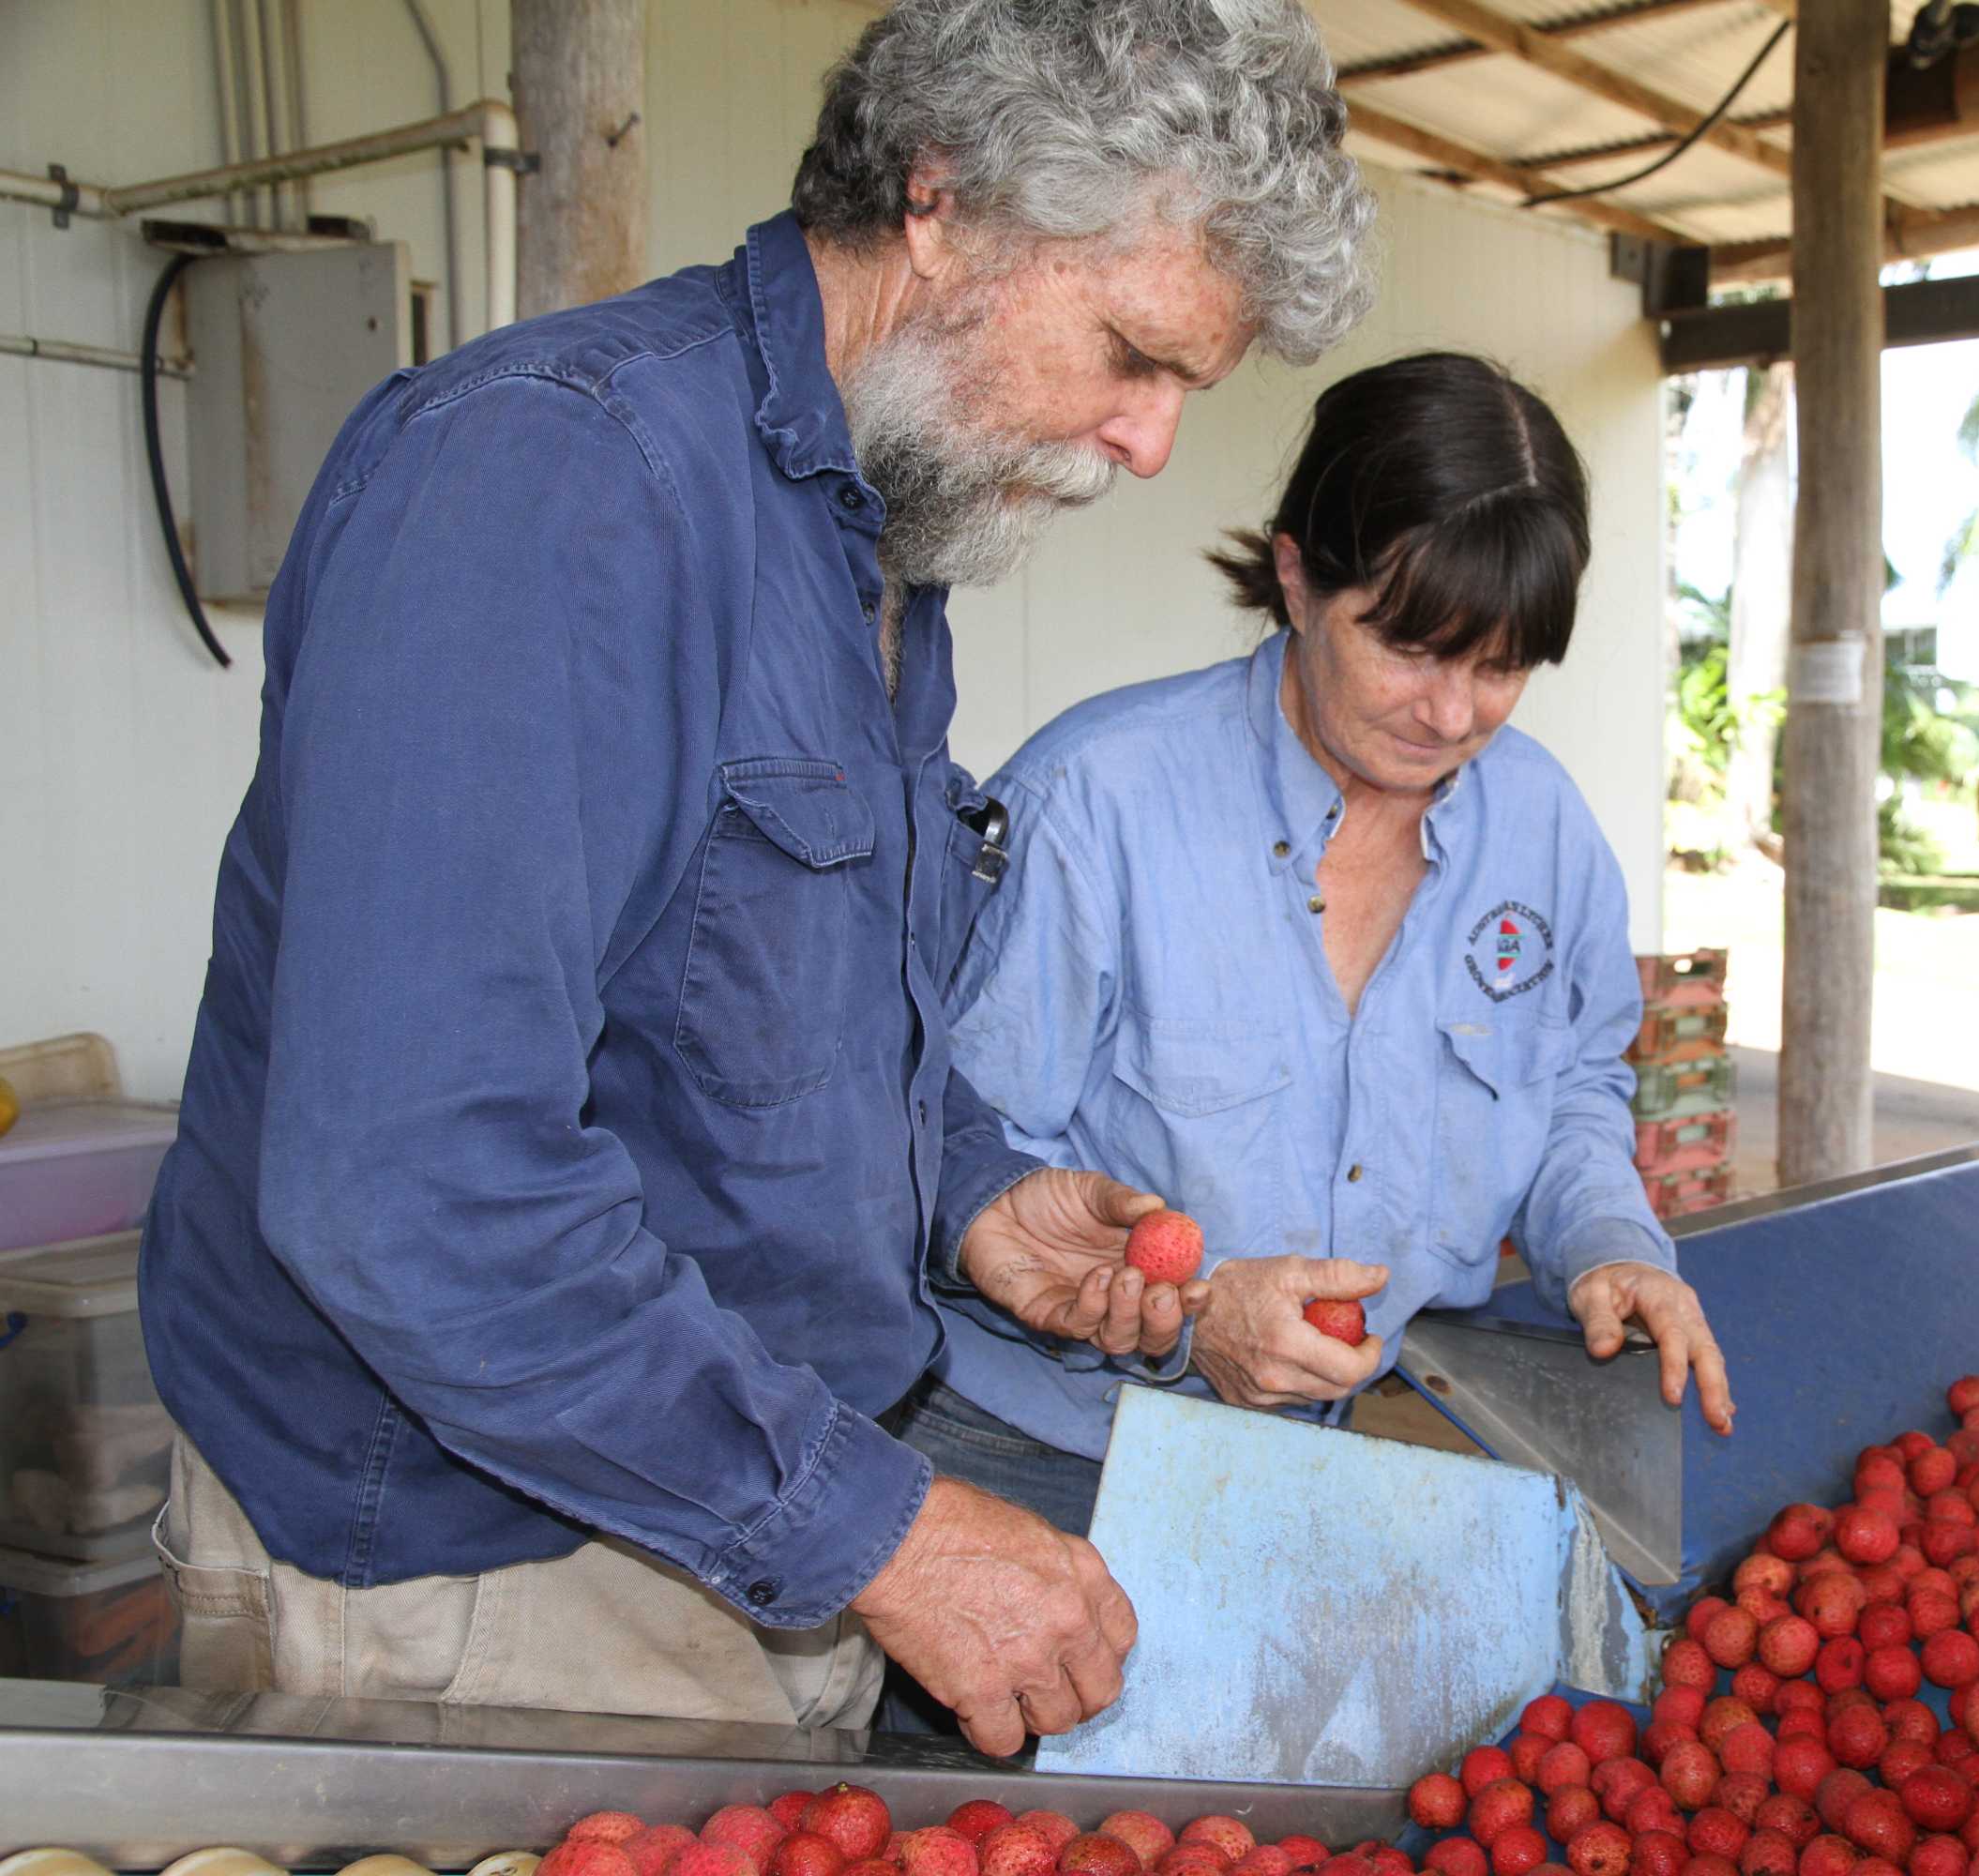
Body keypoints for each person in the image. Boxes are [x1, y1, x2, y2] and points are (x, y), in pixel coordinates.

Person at [132, 0, 1373, 1754]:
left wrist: (971, 1194)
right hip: (487, 1568)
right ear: (944, 200)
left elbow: (763, 998)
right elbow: (413, 1186)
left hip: (742, 1508)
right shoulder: (552, 481)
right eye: (1132, 353)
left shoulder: (874, 526)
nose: (1153, 446)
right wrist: (881, 1531)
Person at [900, 352, 1736, 1545]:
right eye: (1409, 646)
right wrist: (1193, 1312)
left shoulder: (1544, 831)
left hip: (1323, 1457)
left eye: (1500, 666)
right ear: (1295, 578)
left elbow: (1570, 1092)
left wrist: (1606, 1239)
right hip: (1043, 1456)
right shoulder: (1099, 804)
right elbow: (947, 1151)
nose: (1452, 714)